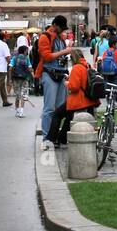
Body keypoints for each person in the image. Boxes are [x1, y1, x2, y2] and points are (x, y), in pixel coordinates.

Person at [37, 16, 72, 151]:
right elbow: (46, 57)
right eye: (61, 28)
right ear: (55, 25)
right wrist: (64, 51)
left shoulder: (60, 39)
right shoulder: (44, 37)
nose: (62, 31)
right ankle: (46, 138)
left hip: (60, 75)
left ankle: (54, 136)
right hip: (49, 74)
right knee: (49, 109)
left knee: (59, 110)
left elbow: (61, 58)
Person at [47, 49, 95, 146]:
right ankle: (62, 138)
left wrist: (67, 83)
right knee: (69, 117)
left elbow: (74, 87)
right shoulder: (86, 65)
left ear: (73, 58)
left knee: (57, 114)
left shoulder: (77, 68)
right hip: (88, 99)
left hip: (78, 100)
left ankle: (52, 139)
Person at [9, 44, 33, 118]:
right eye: (27, 50)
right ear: (25, 51)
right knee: (23, 95)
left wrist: (10, 79)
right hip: (24, 79)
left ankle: (17, 111)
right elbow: (30, 69)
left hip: (15, 78)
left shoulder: (14, 58)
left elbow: (10, 68)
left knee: (18, 95)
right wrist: (32, 75)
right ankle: (21, 112)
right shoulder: (26, 59)